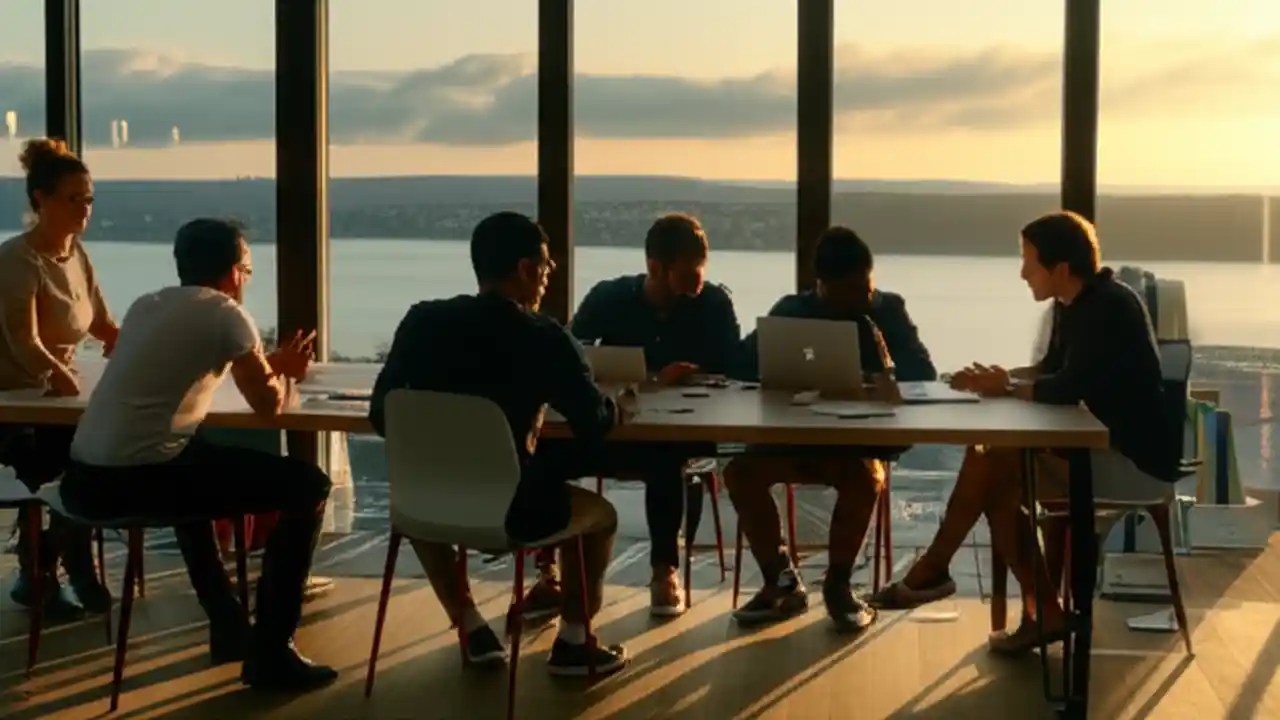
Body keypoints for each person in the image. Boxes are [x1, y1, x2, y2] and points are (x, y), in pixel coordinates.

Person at [872, 211, 1177, 655]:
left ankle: (941, 570)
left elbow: (1069, 387)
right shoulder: (1075, 304)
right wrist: (995, 379)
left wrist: (1010, 387)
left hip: (1132, 464)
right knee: (993, 471)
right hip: (1098, 452)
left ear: (1060, 270)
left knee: (993, 463)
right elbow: (1052, 372)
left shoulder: (1108, 306)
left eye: (1029, 263)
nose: (1022, 273)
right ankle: (1039, 612)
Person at [62, 218, 337, 691]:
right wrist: (288, 370)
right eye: (247, 270)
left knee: (192, 456)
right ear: (233, 273)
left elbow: (190, 365)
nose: (246, 280)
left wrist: (271, 366)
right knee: (309, 486)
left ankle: (229, 624)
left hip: (83, 482)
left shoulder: (147, 305)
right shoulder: (226, 312)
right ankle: (272, 652)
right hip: (140, 482)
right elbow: (268, 405)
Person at [369, 211, 631, 676]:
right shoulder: (545, 338)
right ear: (527, 269)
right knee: (600, 517)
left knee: (417, 508)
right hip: (513, 511)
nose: (549, 277)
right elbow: (593, 422)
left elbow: (381, 414)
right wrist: (618, 407)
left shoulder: (421, 323)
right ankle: (573, 641)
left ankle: (471, 628)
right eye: (547, 267)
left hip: (429, 498)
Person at [725, 226, 936, 632]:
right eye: (851, 292)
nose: (862, 299)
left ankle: (838, 585)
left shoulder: (887, 310)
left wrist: (879, 369)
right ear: (821, 285)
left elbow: (923, 374)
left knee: (864, 476)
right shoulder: (790, 311)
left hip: (852, 441)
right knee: (739, 473)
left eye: (866, 288)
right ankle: (781, 580)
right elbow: (740, 366)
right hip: (791, 437)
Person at [537, 212, 739, 617]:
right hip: (612, 426)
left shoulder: (713, 304)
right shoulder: (608, 299)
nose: (696, 285)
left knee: (665, 455)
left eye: (700, 272)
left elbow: (738, 366)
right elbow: (569, 356)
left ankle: (664, 571)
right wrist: (647, 378)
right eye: (687, 275)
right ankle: (548, 573)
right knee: (546, 455)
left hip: (680, 429)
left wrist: (695, 374)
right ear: (655, 268)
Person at [0, 138, 118, 619]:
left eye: (88, 199)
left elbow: (102, 324)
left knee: (110, 452)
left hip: (60, 402)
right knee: (82, 460)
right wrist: (57, 373)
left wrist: (137, 353)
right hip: (16, 408)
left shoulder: (76, 254)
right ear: (39, 200)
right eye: (74, 199)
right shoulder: (17, 260)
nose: (84, 208)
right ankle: (53, 561)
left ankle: (51, 555)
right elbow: (21, 342)